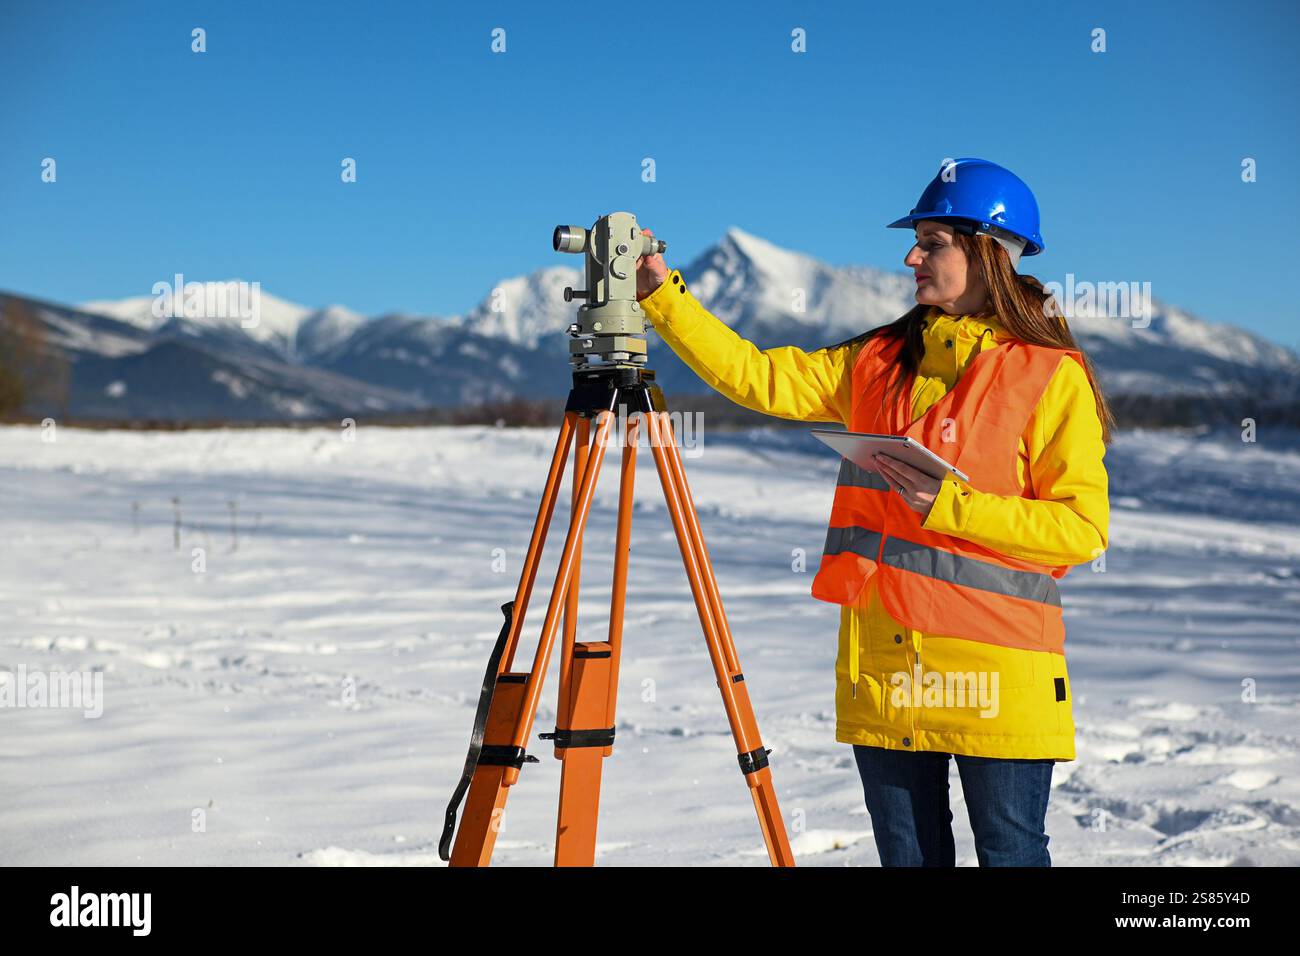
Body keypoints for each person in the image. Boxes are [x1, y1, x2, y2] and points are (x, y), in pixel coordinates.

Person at [633, 158, 1113, 866]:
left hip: (999, 677)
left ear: (990, 252)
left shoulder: (1048, 373)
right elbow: (758, 377)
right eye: (916, 240)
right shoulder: (878, 360)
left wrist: (954, 506)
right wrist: (662, 294)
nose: (911, 256)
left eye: (933, 241)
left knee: (1011, 854)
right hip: (885, 672)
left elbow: (1080, 530)